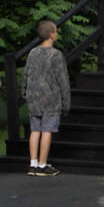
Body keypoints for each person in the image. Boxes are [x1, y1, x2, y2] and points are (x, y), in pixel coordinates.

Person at [23, 19, 70, 178]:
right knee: (47, 130)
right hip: (51, 98)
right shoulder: (56, 55)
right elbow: (62, 80)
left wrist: (25, 92)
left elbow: (26, 74)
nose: (57, 33)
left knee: (35, 130)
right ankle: (43, 164)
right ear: (51, 35)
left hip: (34, 97)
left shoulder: (32, 53)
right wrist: (66, 101)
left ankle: (33, 163)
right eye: (55, 31)